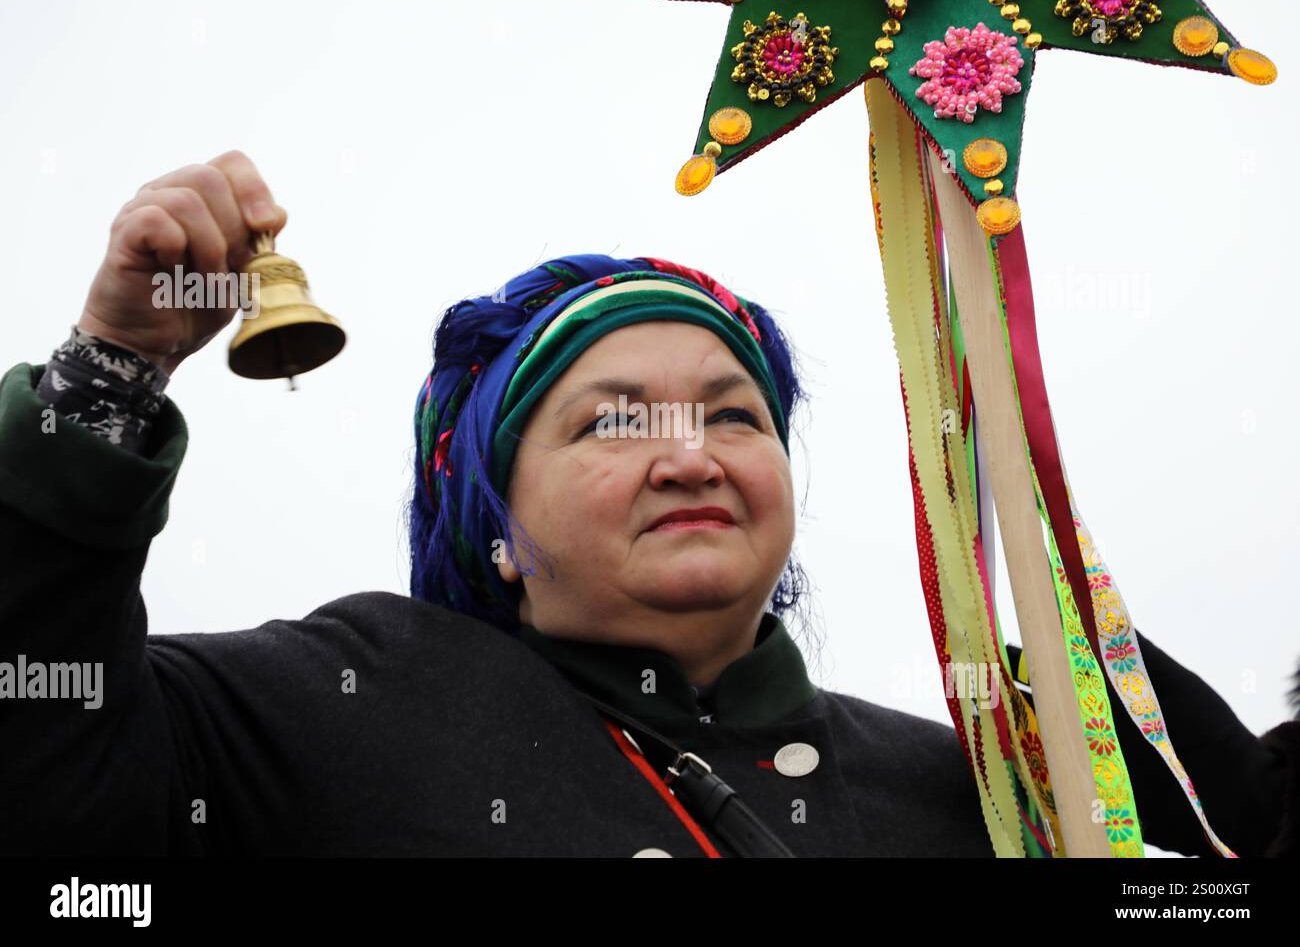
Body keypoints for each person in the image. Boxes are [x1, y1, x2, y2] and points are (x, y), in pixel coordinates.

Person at [0, 151, 1296, 857]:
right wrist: (108, 378)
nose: (690, 456)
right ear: (493, 528)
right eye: (613, 420)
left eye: (733, 415)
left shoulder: (981, 790)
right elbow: (49, 767)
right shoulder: (342, 704)